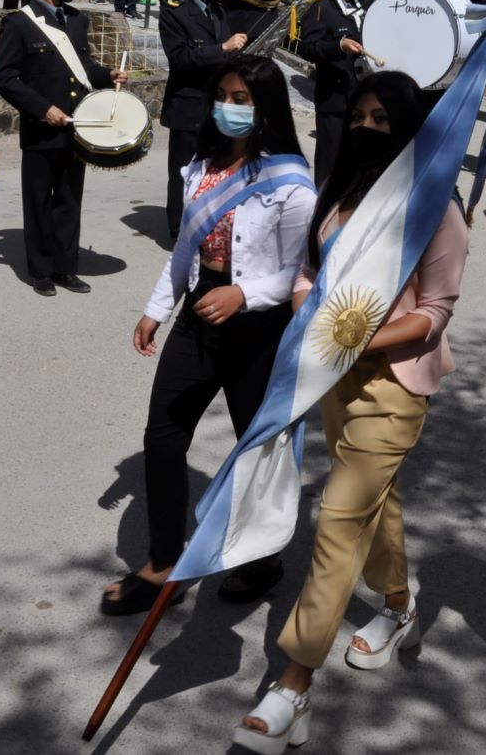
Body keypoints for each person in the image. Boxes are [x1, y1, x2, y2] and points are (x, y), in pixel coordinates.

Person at [236, 71, 468, 755]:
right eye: (359, 116)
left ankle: (292, 684)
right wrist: (313, 312)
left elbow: (434, 314)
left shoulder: (435, 209)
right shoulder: (336, 200)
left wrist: (359, 336)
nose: (366, 127)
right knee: (375, 505)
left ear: (407, 130)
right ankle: (399, 606)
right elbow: (309, 276)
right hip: (333, 383)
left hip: (393, 391)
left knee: (338, 521)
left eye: (381, 119)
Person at [106, 58, 315, 616]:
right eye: (223, 95)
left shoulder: (291, 181)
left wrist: (244, 295)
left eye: (243, 98)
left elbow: (300, 270)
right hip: (198, 321)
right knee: (163, 437)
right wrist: (156, 308)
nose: (230, 107)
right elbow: (184, 251)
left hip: (259, 333)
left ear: (266, 106)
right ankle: (163, 560)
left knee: (255, 450)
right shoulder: (199, 167)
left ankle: (262, 559)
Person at [0, 0, 124, 296]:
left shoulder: (77, 20)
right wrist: (42, 109)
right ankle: (41, 272)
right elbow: (4, 77)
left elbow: (83, 70)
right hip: (41, 128)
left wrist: (107, 75)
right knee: (38, 202)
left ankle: (67, 267)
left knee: (69, 200)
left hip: (76, 128)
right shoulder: (20, 22)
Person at [158, 0, 249, 237]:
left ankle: (207, 225)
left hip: (216, 108)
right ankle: (179, 230)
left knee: (214, 171)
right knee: (184, 173)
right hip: (188, 108)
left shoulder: (217, 11)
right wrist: (222, 48)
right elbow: (181, 59)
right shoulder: (175, 12)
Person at [297, 0, 367, 183]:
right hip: (334, 98)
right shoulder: (321, 8)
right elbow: (308, 48)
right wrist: (338, 45)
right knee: (330, 163)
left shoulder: (354, 7)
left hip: (356, 96)